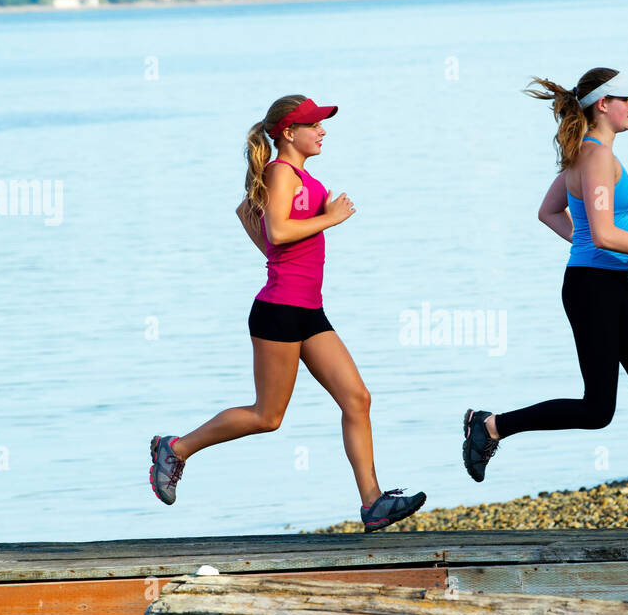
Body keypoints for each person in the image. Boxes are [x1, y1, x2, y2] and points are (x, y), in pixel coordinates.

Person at [150, 94, 426, 533]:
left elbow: (246, 212)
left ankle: (373, 502)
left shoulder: (297, 175)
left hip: (309, 311)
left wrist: (278, 255)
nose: (322, 131)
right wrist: (330, 219)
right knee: (268, 417)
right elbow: (276, 229)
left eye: (322, 124)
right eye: (314, 124)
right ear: (288, 133)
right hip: (279, 310)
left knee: (357, 399)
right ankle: (175, 448)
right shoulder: (281, 172)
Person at [461, 68, 628, 535]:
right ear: (603, 105)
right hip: (594, 289)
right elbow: (602, 233)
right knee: (598, 409)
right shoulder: (594, 158)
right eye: (627, 100)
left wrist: (588, 249)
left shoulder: (583, 154)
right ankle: (490, 425)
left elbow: (549, 213)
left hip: (607, 282)